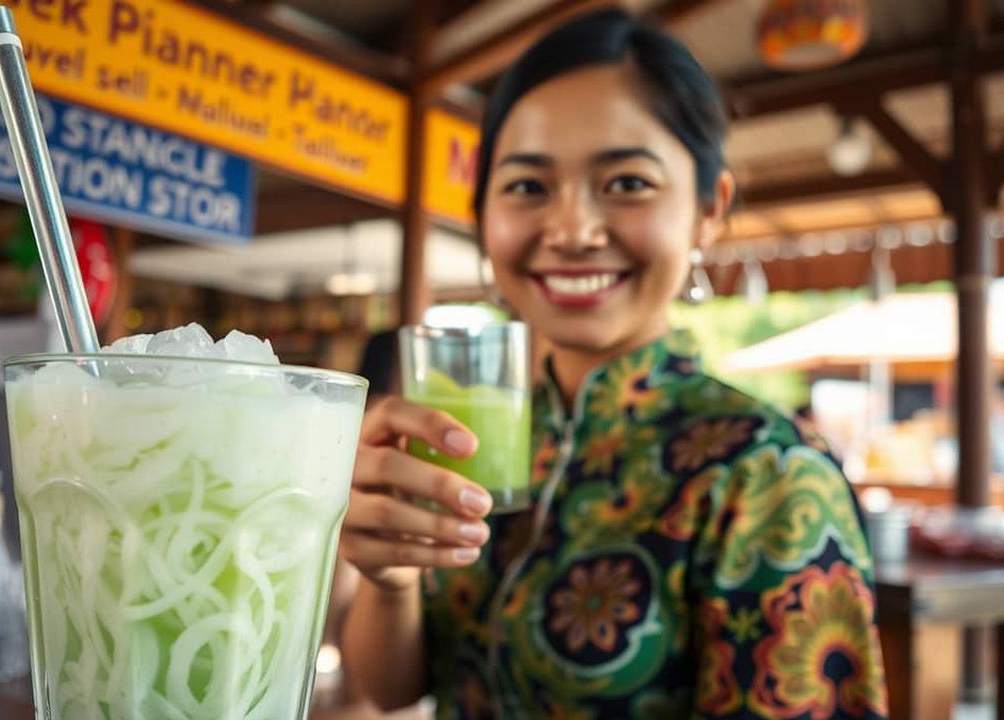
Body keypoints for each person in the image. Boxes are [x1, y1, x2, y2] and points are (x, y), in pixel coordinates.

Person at [339, 10, 887, 719]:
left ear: (706, 210)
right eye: (528, 187)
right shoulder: (471, 440)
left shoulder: (767, 474)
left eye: (627, 182)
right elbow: (393, 689)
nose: (570, 230)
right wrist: (389, 579)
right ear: (483, 217)